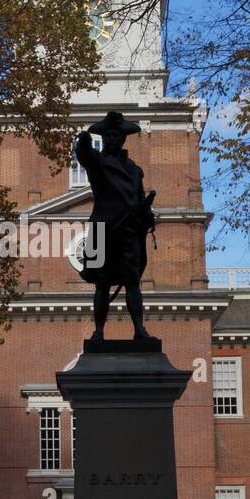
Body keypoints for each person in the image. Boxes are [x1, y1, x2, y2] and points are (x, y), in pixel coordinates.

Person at [74, 111, 157, 342]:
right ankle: (98, 332)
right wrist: (83, 142)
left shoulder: (134, 170)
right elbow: (84, 155)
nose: (111, 139)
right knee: (102, 282)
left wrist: (146, 213)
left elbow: (139, 200)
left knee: (132, 281)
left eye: (116, 135)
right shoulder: (97, 162)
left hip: (128, 228)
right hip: (102, 228)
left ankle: (139, 330)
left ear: (123, 139)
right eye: (108, 135)